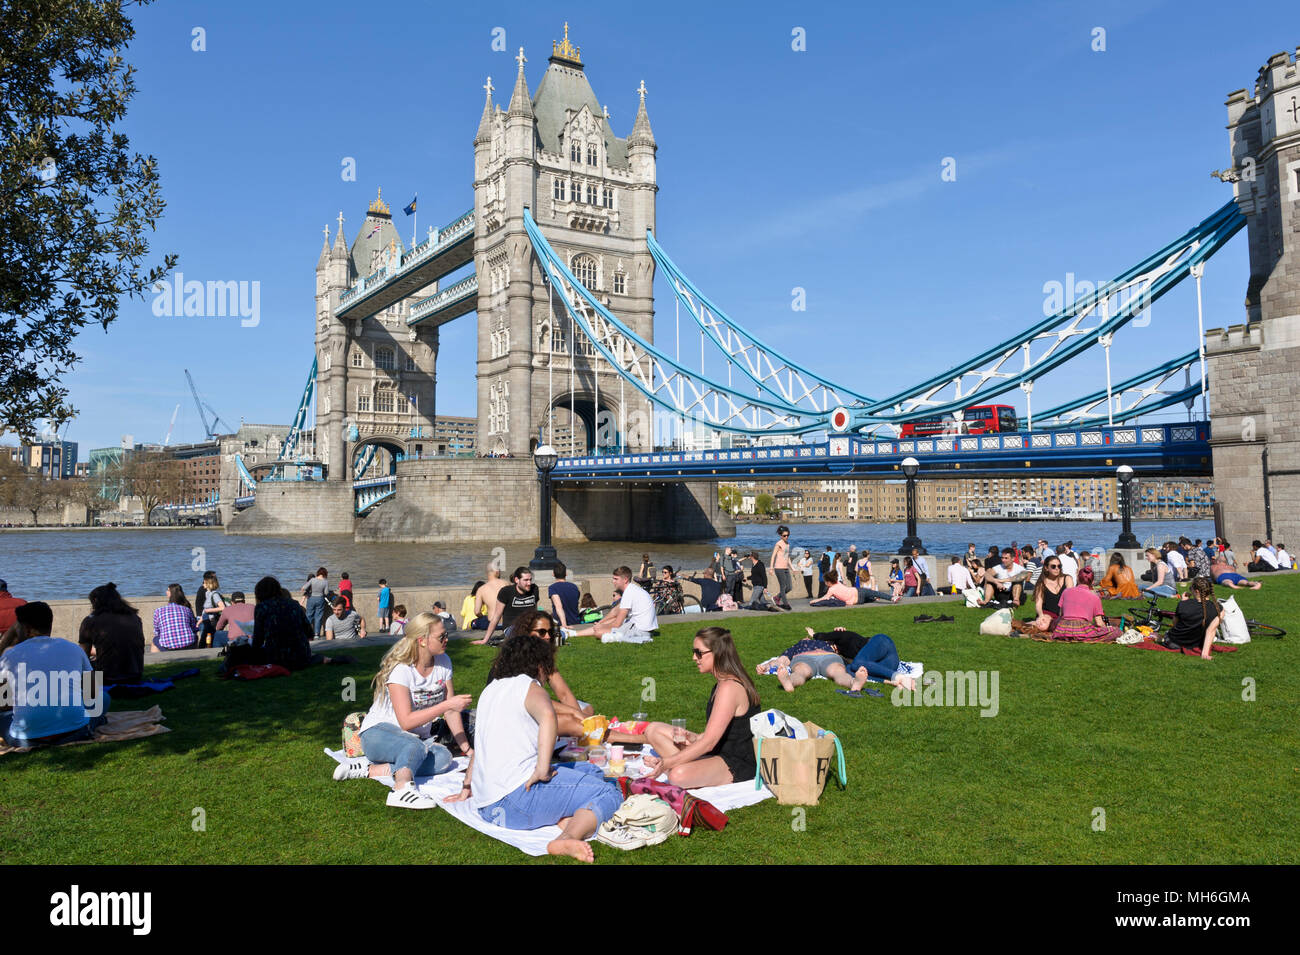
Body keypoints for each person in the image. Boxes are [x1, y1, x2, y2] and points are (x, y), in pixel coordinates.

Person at [453, 634, 622, 862]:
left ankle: (567, 816)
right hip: (516, 801)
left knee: (590, 771)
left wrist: (467, 786)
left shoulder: (490, 691)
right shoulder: (528, 686)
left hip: (487, 806)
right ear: (540, 664)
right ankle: (568, 836)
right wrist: (543, 769)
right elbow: (549, 717)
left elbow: (480, 744)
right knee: (608, 792)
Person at [332, 613, 471, 810]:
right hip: (378, 734)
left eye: (446, 634)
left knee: (443, 757)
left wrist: (466, 749)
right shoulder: (402, 670)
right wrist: (445, 706)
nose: (446, 639)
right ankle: (401, 789)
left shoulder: (444, 661)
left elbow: (451, 711)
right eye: (441, 636)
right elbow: (406, 722)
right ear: (422, 640)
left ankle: (370, 770)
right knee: (415, 745)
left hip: (414, 740)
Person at [643, 627, 761, 788]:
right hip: (717, 749)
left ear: (717, 652)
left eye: (699, 652)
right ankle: (684, 765)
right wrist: (694, 738)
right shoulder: (721, 683)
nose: (694, 657)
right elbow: (726, 729)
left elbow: (710, 743)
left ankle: (676, 766)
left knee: (678, 775)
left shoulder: (729, 688)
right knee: (653, 729)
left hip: (736, 760)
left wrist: (667, 763)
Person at [0, 602, 108, 748]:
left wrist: (7, 639)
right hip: (75, 732)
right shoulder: (74, 649)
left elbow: (2, 703)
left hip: (26, 739)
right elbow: (93, 693)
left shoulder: (9, 655)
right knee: (104, 698)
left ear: (25, 629)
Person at [487, 609, 593, 737]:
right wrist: (577, 716)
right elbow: (531, 700)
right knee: (570, 720)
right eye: (542, 632)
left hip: (532, 708)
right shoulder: (515, 659)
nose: (548, 636)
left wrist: (582, 718)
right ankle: (616, 736)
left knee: (586, 709)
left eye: (550, 632)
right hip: (510, 715)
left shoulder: (543, 657)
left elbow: (564, 693)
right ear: (527, 633)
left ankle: (591, 731)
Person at [77, 582, 144, 685]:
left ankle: (89, 697)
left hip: (107, 678)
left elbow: (83, 656)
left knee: (82, 666)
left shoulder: (90, 621)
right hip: (135, 675)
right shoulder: (135, 618)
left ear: (95, 601)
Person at [818, 626, 918, 692]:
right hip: (887, 664)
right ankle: (890, 681)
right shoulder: (842, 657)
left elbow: (821, 636)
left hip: (881, 643)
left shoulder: (842, 635)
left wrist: (813, 634)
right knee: (850, 670)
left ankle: (899, 677)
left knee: (857, 664)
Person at [570, 566, 658, 641]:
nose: (613, 581)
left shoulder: (629, 593)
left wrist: (602, 626)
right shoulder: (632, 589)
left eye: (616, 579)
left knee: (598, 632)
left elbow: (617, 624)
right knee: (609, 619)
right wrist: (601, 623)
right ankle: (573, 633)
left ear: (625, 580)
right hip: (638, 625)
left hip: (640, 630)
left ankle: (574, 634)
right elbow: (615, 612)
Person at [755, 632, 855, 692]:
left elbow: (843, 641)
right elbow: (782, 660)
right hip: (805, 658)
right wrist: (766, 666)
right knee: (800, 671)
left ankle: (853, 683)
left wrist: (839, 630)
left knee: (838, 671)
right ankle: (789, 682)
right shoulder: (798, 645)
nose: (807, 638)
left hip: (828, 656)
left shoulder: (828, 642)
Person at [1050, 568, 1119, 642]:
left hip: (1062, 629)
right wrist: (1106, 629)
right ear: (1092, 582)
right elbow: (1099, 623)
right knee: (1117, 631)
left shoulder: (1066, 592)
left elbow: (1061, 614)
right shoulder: (1095, 597)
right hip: (1082, 630)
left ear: (1077, 578)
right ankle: (1081, 637)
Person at [474, 566, 540, 643]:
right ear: (516, 580)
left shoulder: (534, 589)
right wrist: (485, 640)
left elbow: (535, 611)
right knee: (526, 636)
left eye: (530, 580)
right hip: (512, 627)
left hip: (531, 625)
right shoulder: (506, 592)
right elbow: (496, 616)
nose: (529, 583)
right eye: (526, 580)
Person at [1160, 576, 1221, 659]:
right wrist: (1205, 653)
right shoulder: (1219, 608)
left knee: (1167, 633)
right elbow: (1211, 630)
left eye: (1190, 588)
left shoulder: (1183, 604)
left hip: (1174, 643)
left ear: (1196, 591)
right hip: (1196, 643)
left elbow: (1175, 624)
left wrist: (1183, 601)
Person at [151, 584, 197, 652]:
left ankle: (156, 660)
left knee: (155, 640)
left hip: (168, 646)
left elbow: (157, 631)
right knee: (195, 637)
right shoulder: (187, 609)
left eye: (168, 590)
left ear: (171, 593)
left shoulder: (158, 611)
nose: (166, 592)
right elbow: (193, 628)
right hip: (188, 644)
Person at [1031, 555, 1072, 630]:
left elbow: (1070, 599)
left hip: (1064, 613)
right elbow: (1038, 603)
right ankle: (1024, 625)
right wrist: (1041, 615)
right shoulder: (1041, 583)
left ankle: (1031, 624)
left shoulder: (1067, 579)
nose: (1057, 568)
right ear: (1046, 568)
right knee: (1043, 626)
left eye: (1059, 566)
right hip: (1047, 613)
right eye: (1053, 566)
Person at [547, 561, 582, 631]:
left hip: (560, 622)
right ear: (566, 574)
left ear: (553, 574)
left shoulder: (552, 588)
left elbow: (559, 606)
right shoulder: (574, 587)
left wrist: (564, 624)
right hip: (575, 621)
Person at [195, 572, 226, 649]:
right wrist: (200, 621)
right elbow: (205, 611)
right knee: (204, 641)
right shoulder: (207, 593)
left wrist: (209, 610)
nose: (203, 584)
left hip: (211, 621)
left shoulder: (214, 594)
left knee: (205, 641)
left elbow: (222, 607)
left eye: (204, 582)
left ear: (208, 584)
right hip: (206, 620)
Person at [303, 567, 330, 639]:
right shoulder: (325, 581)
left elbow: (304, 588)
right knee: (318, 617)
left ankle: (306, 632)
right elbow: (326, 593)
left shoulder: (312, 580)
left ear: (318, 573)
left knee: (309, 615)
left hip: (311, 598)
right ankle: (316, 634)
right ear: (325, 574)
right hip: (320, 599)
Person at [770, 525, 793, 609]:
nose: (786, 537)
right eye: (784, 535)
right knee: (783, 587)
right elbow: (773, 556)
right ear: (781, 536)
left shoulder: (787, 544)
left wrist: (792, 568)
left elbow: (788, 557)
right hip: (779, 568)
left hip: (786, 568)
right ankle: (786, 604)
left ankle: (776, 597)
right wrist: (771, 568)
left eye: (787, 535)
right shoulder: (778, 544)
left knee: (789, 587)